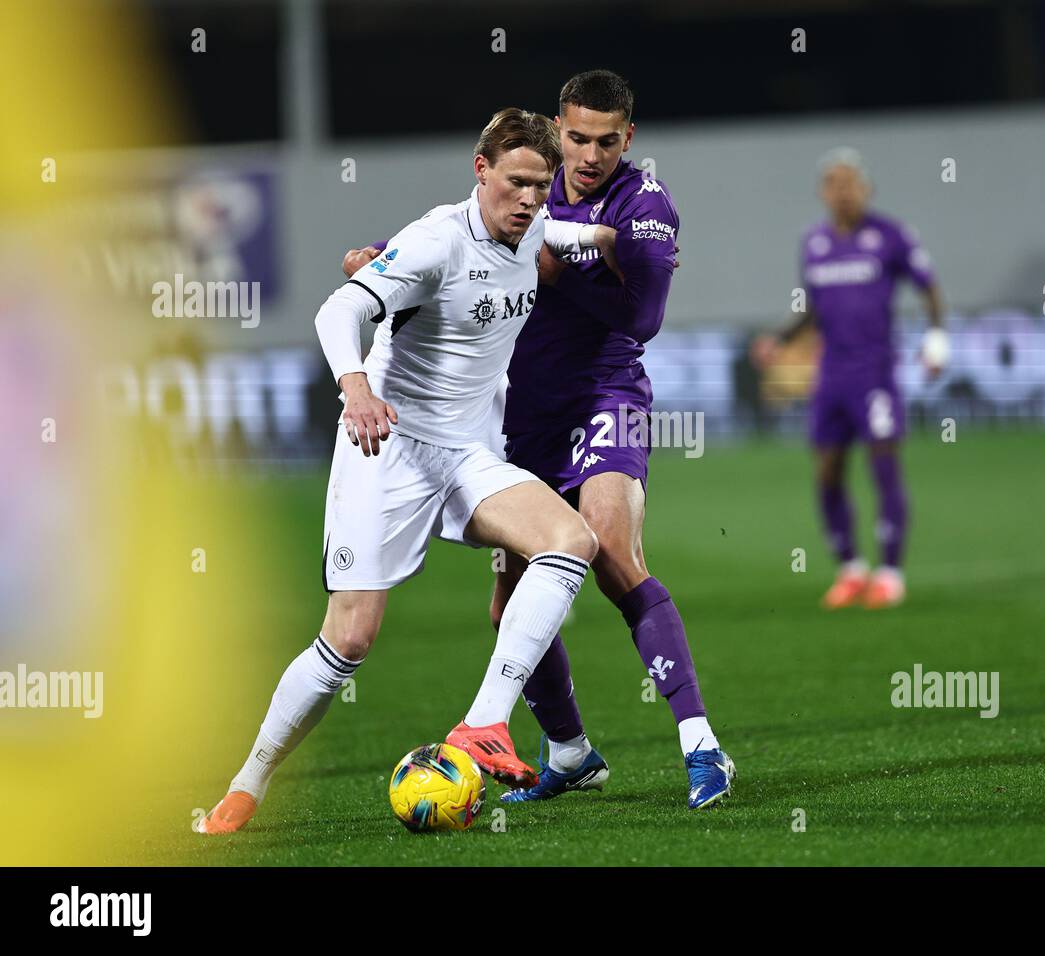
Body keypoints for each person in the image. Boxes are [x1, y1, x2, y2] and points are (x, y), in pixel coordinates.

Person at [199, 108, 619, 834]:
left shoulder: (535, 227)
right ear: (480, 170)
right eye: (515, 182)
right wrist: (356, 386)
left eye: (540, 187)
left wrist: (610, 241)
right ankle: (248, 782)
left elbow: (577, 235)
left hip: (467, 455)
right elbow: (339, 311)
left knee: (570, 540)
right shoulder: (434, 243)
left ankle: (484, 724)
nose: (527, 199)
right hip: (386, 451)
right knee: (349, 641)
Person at [343, 70, 735, 810]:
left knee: (613, 552)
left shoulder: (644, 205)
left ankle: (701, 746)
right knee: (511, 604)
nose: (589, 156)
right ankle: (571, 752)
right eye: (577, 138)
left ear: (630, 138)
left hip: (601, 394)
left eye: (606, 141)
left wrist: (555, 273)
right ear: (558, 129)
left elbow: (641, 316)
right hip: (517, 414)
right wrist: (372, 256)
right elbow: (446, 236)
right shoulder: (530, 183)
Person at [752, 148, 947, 610]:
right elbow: (812, 306)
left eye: (850, 183)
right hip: (831, 375)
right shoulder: (815, 243)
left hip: (875, 374)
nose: (842, 192)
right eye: (834, 184)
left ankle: (891, 573)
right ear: (824, 191)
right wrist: (779, 338)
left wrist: (938, 339)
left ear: (866, 188)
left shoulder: (890, 236)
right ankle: (851, 569)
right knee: (827, 472)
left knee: (883, 467)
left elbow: (929, 286)